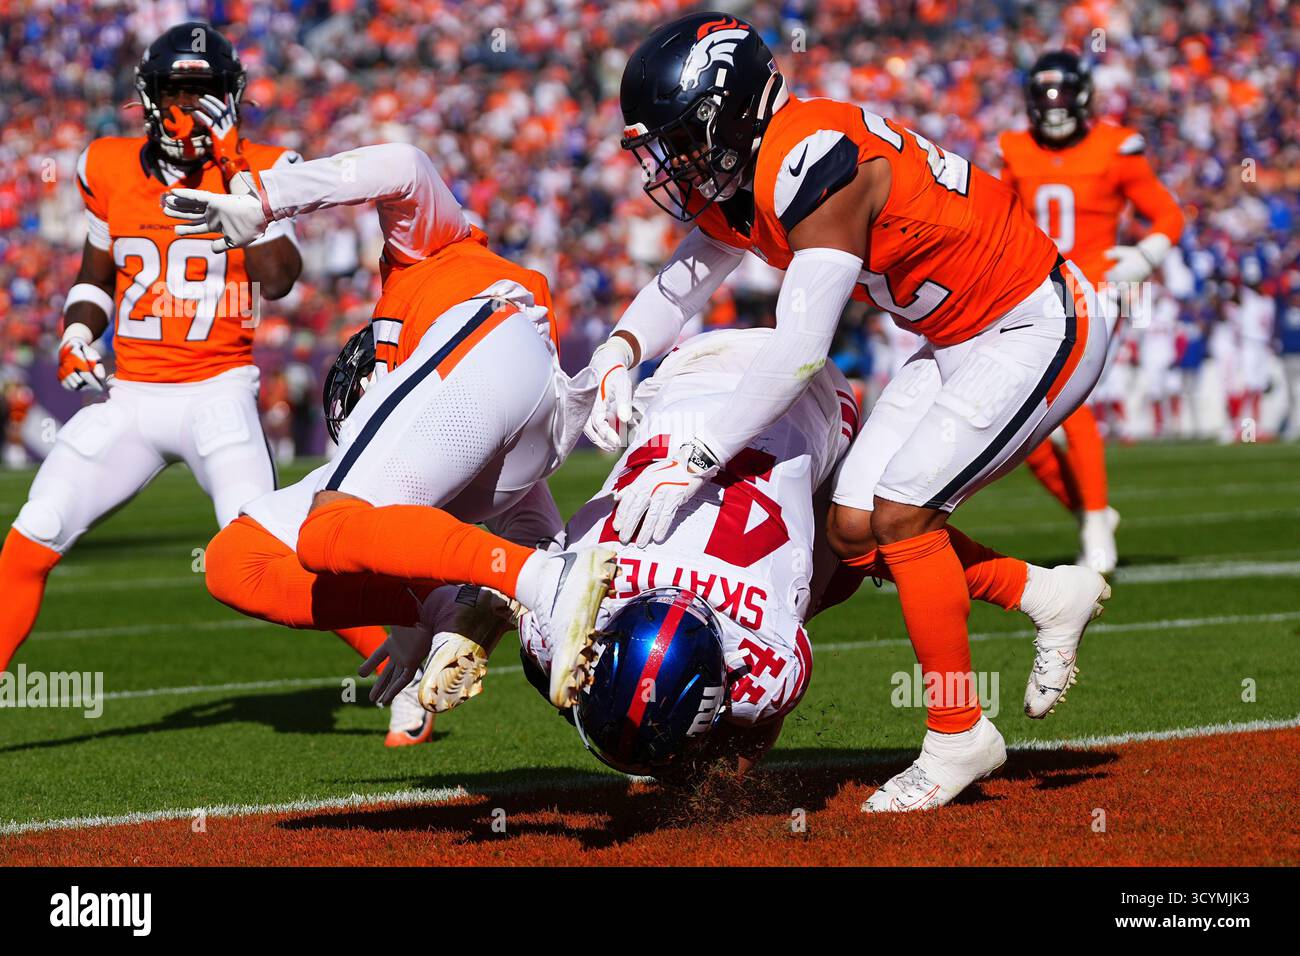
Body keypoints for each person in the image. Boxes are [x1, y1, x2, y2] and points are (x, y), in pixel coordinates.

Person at [587, 12, 1111, 811]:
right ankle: (1042, 592)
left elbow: (800, 349)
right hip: (954, 334)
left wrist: (698, 458)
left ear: (730, 110)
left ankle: (958, 735)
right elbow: (692, 275)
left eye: (684, 138)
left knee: (902, 515)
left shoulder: (811, 159)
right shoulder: (751, 171)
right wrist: (620, 349)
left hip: (1036, 318)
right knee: (851, 528)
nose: (677, 162)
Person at [168, 140, 616, 743]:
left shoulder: (423, 262)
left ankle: (545, 583)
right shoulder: (417, 447)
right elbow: (531, 528)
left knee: (331, 525)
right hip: (514, 428)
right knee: (233, 562)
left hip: (489, 338)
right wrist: (424, 616)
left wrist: (266, 201)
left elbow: (404, 166)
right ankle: (448, 606)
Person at [0, 22, 334, 672]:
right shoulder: (107, 164)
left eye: (203, 93)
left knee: (261, 557)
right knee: (33, 531)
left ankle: (403, 649)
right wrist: (75, 332)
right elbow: (96, 278)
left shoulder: (265, 166)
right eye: (177, 93)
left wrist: (236, 169)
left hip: (218, 394)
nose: (188, 111)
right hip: (133, 398)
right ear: (151, 98)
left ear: (230, 99)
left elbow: (280, 279)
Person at [999, 51, 1185, 571]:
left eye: (1061, 94)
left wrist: (1143, 257)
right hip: (1035, 287)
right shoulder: (1015, 149)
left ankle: (1098, 523)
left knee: (1070, 402)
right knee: (1024, 433)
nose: (1053, 106)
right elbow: (1002, 220)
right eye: (1044, 95)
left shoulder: (1115, 145)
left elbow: (1167, 215)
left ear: (1082, 95)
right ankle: (1090, 511)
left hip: (1099, 287)